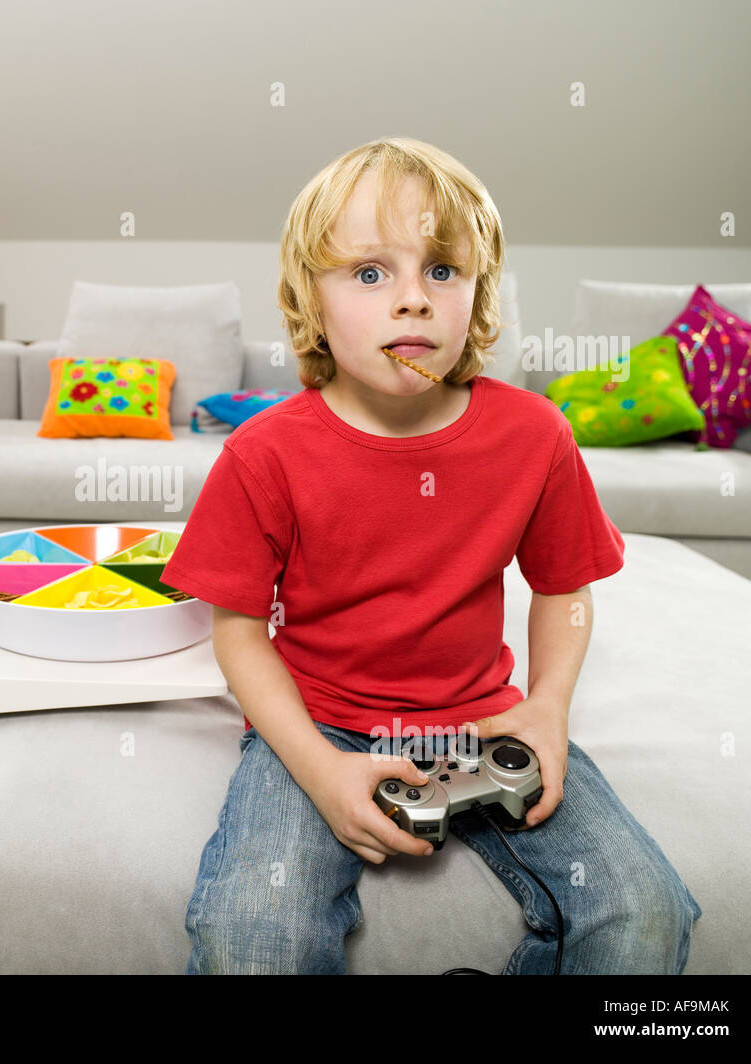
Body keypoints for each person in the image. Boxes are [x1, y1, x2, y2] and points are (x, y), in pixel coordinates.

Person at [159, 137, 702, 975]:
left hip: (484, 720)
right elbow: (236, 630)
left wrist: (547, 708)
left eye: (442, 270)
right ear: (311, 298)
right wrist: (319, 769)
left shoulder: (536, 435)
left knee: (643, 912)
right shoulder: (263, 453)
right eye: (370, 272)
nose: (413, 299)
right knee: (253, 934)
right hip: (320, 720)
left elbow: (565, 589)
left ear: (478, 295)